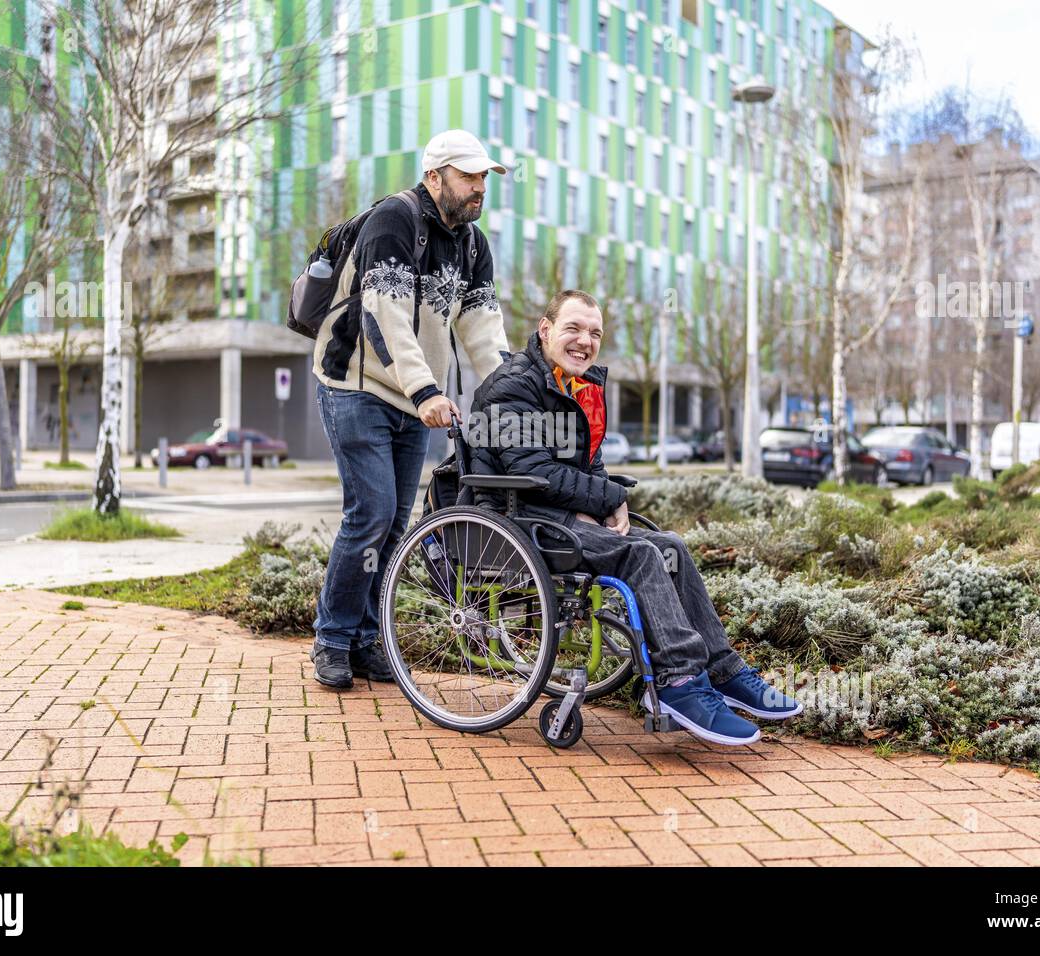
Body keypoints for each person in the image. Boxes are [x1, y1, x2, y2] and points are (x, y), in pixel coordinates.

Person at [468, 290, 803, 747]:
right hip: (516, 524)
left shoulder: (576, 386)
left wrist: (604, 498)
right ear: (545, 330)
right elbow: (531, 471)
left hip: (556, 517)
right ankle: (679, 684)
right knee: (642, 555)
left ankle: (724, 671)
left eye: (595, 332)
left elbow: (589, 467)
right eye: (574, 328)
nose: (585, 341)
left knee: (670, 547)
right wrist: (608, 498)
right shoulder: (513, 385)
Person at [310, 130, 511, 688]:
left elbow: (482, 330)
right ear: (434, 176)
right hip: (357, 384)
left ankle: (367, 639)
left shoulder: (472, 244)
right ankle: (331, 637)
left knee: (397, 525)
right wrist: (426, 392)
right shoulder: (393, 222)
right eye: (468, 176)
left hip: (413, 398)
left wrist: (513, 392)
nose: (479, 188)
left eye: (483, 178)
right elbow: (384, 321)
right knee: (371, 514)